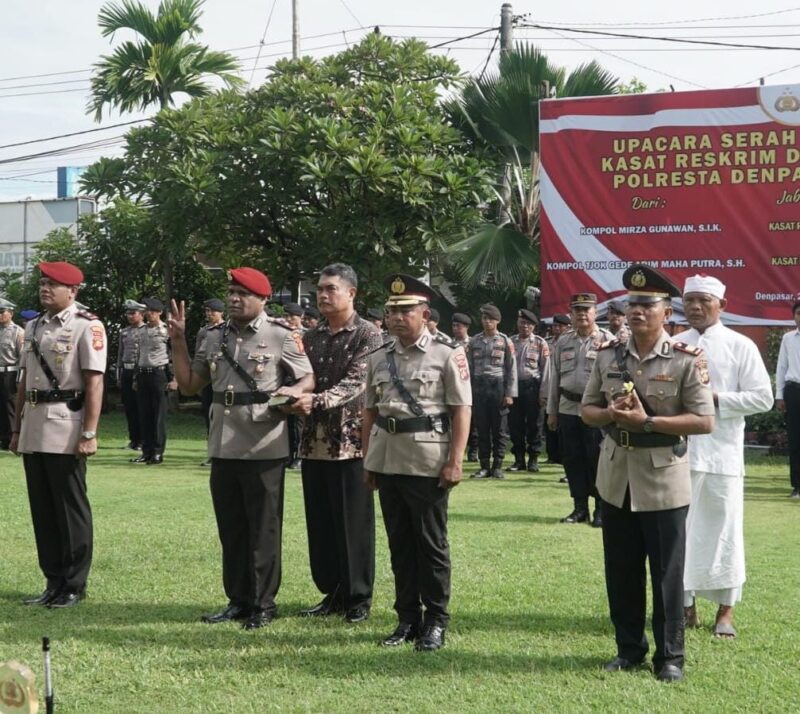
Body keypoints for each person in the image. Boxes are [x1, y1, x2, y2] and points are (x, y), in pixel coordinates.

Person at [581, 264, 715, 683]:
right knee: (621, 571)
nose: (637, 311)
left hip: (662, 480)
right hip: (616, 477)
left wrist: (648, 424)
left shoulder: (685, 360)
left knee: (666, 575)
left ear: (666, 313)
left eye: (647, 304)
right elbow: (586, 410)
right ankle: (629, 649)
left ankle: (670, 656)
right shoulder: (607, 355)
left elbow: (704, 421)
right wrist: (609, 414)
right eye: (632, 304)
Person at [168, 267, 313, 630]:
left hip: (264, 441)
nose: (234, 299)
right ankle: (238, 599)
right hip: (223, 442)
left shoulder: (280, 334)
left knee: (263, 529)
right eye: (231, 292)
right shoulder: (213, 336)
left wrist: (296, 392)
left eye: (242, 293)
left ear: (263, 299)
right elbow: (188, 385)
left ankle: (263, 603)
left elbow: (306, 376)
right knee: (231, 528)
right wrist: (179, 340)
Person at [363, 274, 471, 651]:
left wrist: (455, 461)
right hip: (388, 457)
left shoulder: (447, 354)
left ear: (425, 314)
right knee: (399, 545)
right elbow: (369, 412)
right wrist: (368, 459)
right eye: (391, 311)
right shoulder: (378, 357)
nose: (396, 317)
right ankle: (406, 619)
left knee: (430, 544)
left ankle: (436, 620)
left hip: (428, 460)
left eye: (405, 310)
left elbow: (461, 410)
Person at [283, 263, 383, 624]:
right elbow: (301, 377)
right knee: (322, 523)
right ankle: (333, 592)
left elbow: (358, 382)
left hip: (352, 444)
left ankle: (358, 597)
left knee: (353, 524)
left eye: (331, 289)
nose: (322, 295)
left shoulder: (368, 335)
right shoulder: (312, 337)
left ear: (351, 293)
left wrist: (315, 400)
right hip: (314, 444)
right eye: (319, 289)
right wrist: (291, 394)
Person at [678, 275, 773, 637]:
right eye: (690, 301)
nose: (696, 307)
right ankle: (685, 608)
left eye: (704, 300)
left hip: (722, 455)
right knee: (680, 533)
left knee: (725, 532)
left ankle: (725, 613)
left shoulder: (740, 345)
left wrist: (714, 399)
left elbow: (762, 398)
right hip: (680, 455)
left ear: (723, 306)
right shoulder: (673, 344)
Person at [11, 261, 107, 608]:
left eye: (53, 284)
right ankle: (52, 580)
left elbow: (94, 382)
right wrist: (17, 427)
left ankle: (74, 584)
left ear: (73, 291)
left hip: (66, 424)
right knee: (44, 509)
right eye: (42, 283)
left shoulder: (87, 326)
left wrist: (90, 432)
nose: (45, 289)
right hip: (35, 424)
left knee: (69, 508)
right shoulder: (34, 325)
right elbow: (24, 380)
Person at [547, 295, 613, 525]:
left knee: (596, 459)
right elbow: (554, 377)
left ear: (596, 312)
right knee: (572, 459)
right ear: (571, 314)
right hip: (567, 407)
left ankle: (600, 508)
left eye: (587, 310)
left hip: (596, 410)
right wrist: (551, 411)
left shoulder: (608, 341)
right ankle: (579, 508)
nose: (582, 314)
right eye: (577, 310)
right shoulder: (563, 342)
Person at [467, 304, 517, 479]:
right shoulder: (474, 341)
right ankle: (484, 466)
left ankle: (497, 465)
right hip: (479, 387)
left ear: (497, 321)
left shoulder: (505, 341)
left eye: (490, 319)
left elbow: (511, 369)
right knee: (482, 428)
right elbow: (469, 367)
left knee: (499, 429)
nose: (487, 322)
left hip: (498, 386)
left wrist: (510, 393)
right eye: (484, 318)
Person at [132, 297, 174, 465]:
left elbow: (174, 356)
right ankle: (146, 451)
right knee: (144, 415)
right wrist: (135, 377)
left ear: (159, 313)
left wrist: (175, 378)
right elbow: (138, 355)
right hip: (143, 374)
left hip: (159, 374)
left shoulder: (167, 331)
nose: (149, 314)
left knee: (158, 415)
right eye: (147, 311)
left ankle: (157, 452)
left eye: (152, 311)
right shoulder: (141, 331)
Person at [509, 309, 549, 473]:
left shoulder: (540, 343)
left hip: (533, 387)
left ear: (533, 326)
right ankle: (519, 460)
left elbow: (546, 369)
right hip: (514, 387)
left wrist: (543, 393)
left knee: (535, 425)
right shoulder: (510, 342)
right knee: (515, 425)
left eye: (528, 324)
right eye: (522, 323)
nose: (525, 326)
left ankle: (533, 459)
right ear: (517, 324)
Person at [195, 298, 225, 466]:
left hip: (222, 377)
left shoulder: (227, 330)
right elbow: (198, 354)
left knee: (222, 417)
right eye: (207, 311)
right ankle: (212, 453)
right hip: (208, 378)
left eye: (212, 311)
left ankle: (222, 454)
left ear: (221, 312)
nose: (209, 314)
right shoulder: (203, 331)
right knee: (209, 417)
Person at [775, 299, 800, 499]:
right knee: (795, 440)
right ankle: (797, 486)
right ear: (794, 316)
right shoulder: (788, 338)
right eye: (798, 313)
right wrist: (779, 395)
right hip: (794, 392)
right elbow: (781, 367)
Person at [540, 313, 571, 470]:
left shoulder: (569, 343)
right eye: (555, 326)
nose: (556, 329)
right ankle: (552, 455)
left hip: (566, 386)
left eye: (560, 326)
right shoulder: (547, 343)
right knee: (550, 421)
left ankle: (562, 456)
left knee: (565, 424)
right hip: (549, 385)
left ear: (567, 327)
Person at [116, 299, 146, 451]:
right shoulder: (124, 332)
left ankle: (142, 440)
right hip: (126, 372)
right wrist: (118, 374)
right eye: (128, 313)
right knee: (130, 408)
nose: (130, 316)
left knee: (141, 407)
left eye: (133, 313)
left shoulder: (146, 330)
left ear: (141, 314)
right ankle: (133, 439)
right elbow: (120, 354)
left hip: (139, 371)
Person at [0, 298, 24, 451]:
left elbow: (22, 357)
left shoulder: (18, 332)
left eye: (2, 312)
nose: (0, 315)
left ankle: (12, 438)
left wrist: (20, 378)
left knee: (10, 407)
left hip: (10, 373)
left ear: (11, 313)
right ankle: (2, 438)